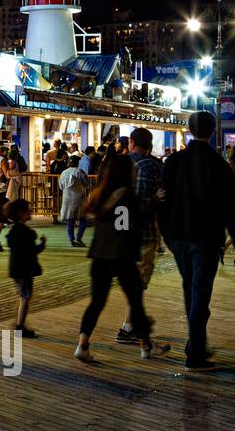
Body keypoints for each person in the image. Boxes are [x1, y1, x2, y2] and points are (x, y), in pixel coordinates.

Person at [159, 111, 235, 371]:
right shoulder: (218, 165)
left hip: (177, 236)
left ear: (189, 129)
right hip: (205, 238)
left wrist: (166, 233)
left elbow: (161, 198)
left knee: (190, 289)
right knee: (200, 294)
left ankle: (195, 342)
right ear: (213, 130)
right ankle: (195, 352)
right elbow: (232, 207)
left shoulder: (173, 161)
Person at [74, 153, 170, 363]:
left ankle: (83, 344)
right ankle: (146, 346)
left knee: (96, 303)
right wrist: (153, 203)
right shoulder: (125, 195)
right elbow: (125, 225)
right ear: (127, 172)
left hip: (99, 255)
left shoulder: (101, 193)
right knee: (136, 302)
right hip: (121, 257)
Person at [114, 127, 164, 343]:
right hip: (143, 235)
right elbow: (152, 203)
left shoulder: (119, 164)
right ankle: (129, 328)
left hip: (119, 232)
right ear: (150, 145)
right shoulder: (153, 166)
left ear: (131, 143)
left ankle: (130, 325)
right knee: (138, 284)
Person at [5, 198, 44, 337]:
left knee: (23, 295)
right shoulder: (26, 233)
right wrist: (42, 245)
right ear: (20, 213)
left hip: (15, 268)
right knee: (25, 297)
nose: (30, 211)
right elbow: (32, 251)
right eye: (28, 209)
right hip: (25, 269)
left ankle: (20, 323)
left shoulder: (13, 232)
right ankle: (20, 326)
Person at [59, 161, 90, 246]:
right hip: (78, 198)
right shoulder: (79, 171)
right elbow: (87, 182)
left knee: (70, 219)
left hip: (66, 198)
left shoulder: (63, 172)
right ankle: (78, 238)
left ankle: (71, 239)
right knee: (83, 219)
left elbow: (60, 186)